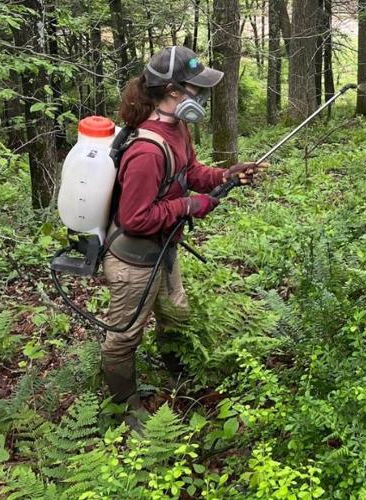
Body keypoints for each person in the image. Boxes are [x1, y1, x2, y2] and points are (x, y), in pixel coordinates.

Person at [101, 46, 267, 429]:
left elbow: (189, 172)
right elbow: (136, 218)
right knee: (123, 337)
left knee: (176, 317)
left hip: (164, 250)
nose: (203, 95)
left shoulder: (177, 127)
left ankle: (181, 377)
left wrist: (226, 175)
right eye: (197, 88)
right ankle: (124, 409)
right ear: (173, 91)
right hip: (133, 261)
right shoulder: (146, 150)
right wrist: (190, 206)